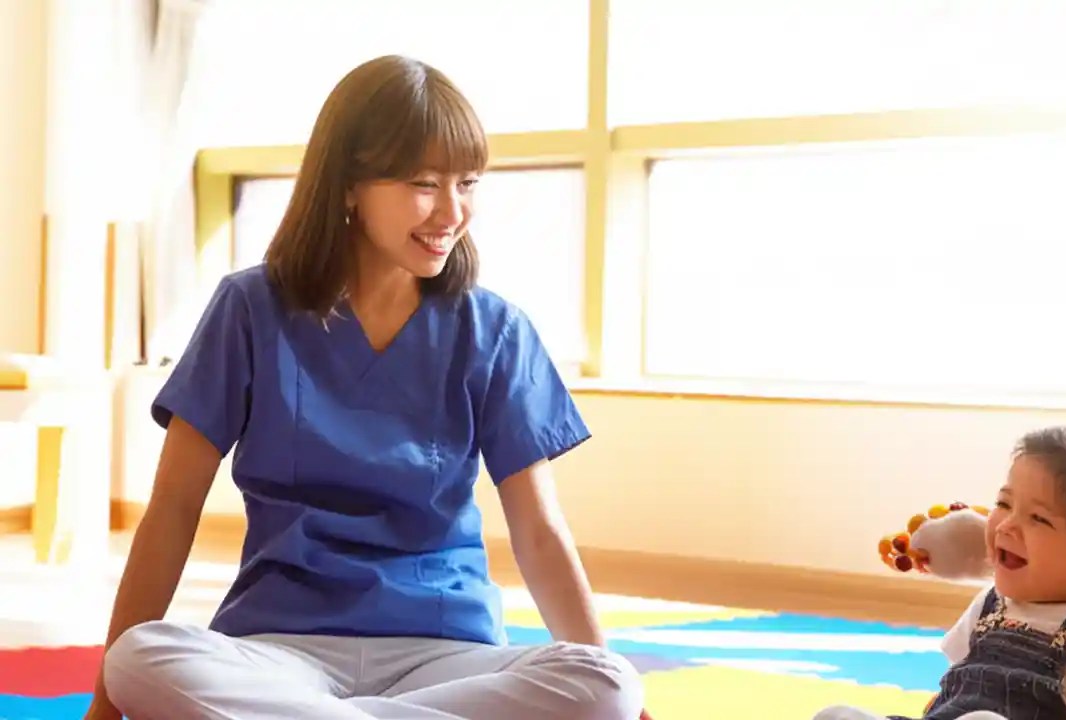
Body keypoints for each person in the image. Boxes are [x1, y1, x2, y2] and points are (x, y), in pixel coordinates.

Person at [83, 54, 646, 720]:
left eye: (467, 183)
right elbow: (173, 507)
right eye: (424, 183)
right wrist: (102, 700)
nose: (453, 211)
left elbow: (539, 533)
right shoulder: (249, 309)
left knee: (604, 682)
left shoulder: (492, 330)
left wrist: (613, 688)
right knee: (136, 658)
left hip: (444, 653)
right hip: (277, 650)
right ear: (349, 184)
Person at [814, 424, 1066, 720]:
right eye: (1004, 504)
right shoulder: (992, 602)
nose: (1006, 527)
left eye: (1038, 519)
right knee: (836, 715)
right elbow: (954, 690)